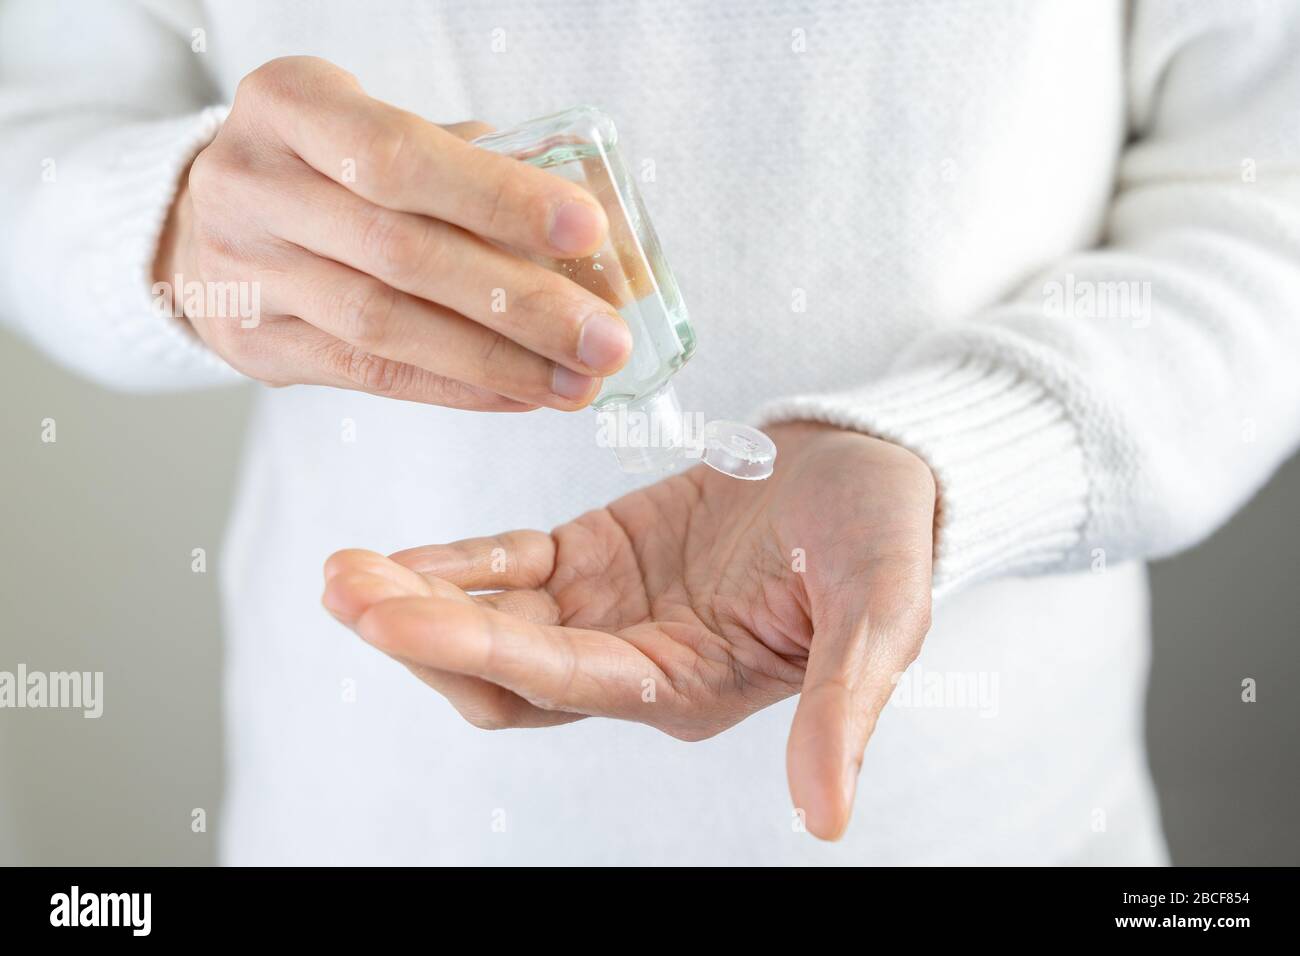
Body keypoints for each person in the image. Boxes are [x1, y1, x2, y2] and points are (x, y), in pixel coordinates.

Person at [2, 0, 1298, 865]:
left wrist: (964, 451)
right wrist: (176, 230)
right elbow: (33, 128)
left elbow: (1268, 198)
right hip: (368, 797)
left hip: (989, 816)